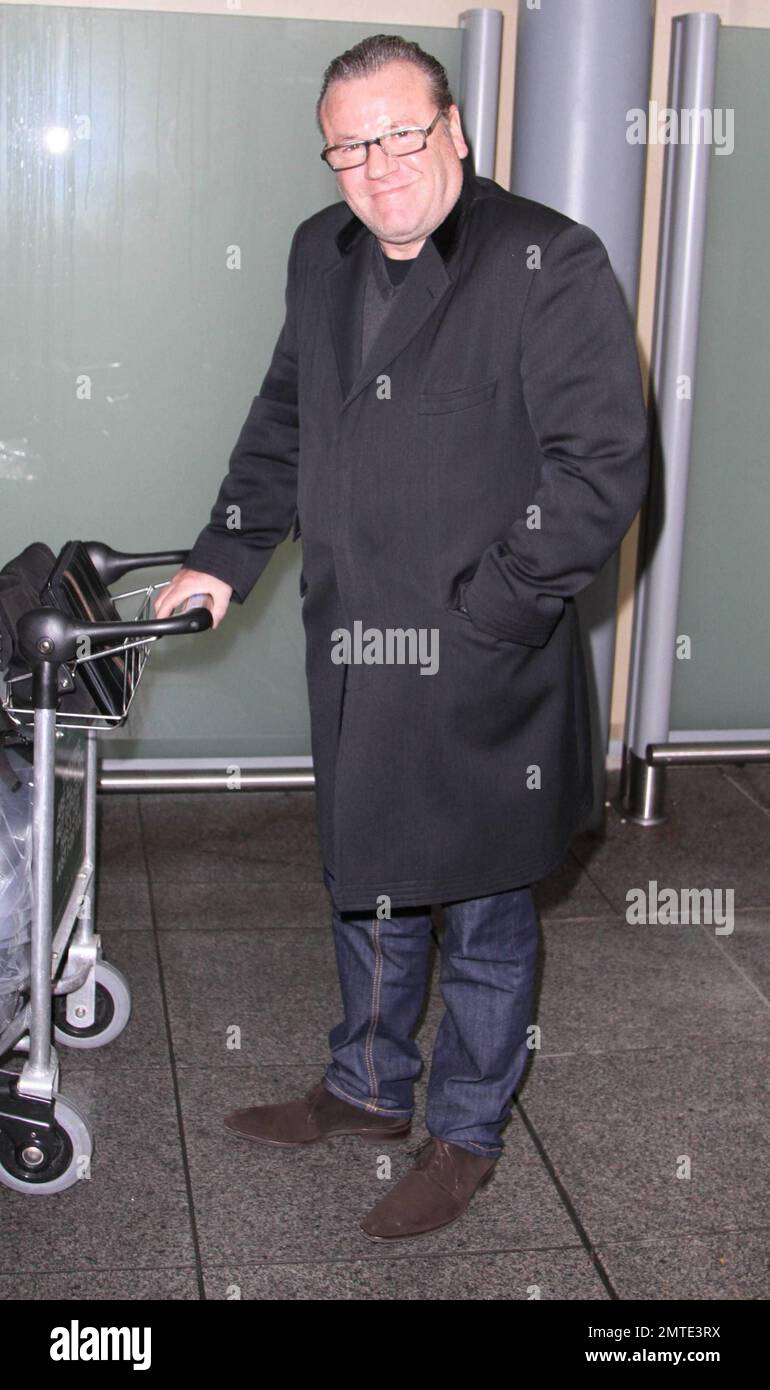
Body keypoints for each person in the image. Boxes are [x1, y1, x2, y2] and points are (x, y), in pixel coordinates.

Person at [153, 34, 649, 1242]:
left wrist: (487, 613)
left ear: (455, 132)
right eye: (348, 145)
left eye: (399, 134)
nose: (375, 168)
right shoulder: (317, 254)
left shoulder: (546, 259)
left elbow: (602, 469)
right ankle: (366, 1086)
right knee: (366, 878)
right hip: (353, 647)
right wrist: (222, 553)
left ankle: (466, 1131)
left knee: (480, 908)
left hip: (484, 657)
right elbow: (283, 419)